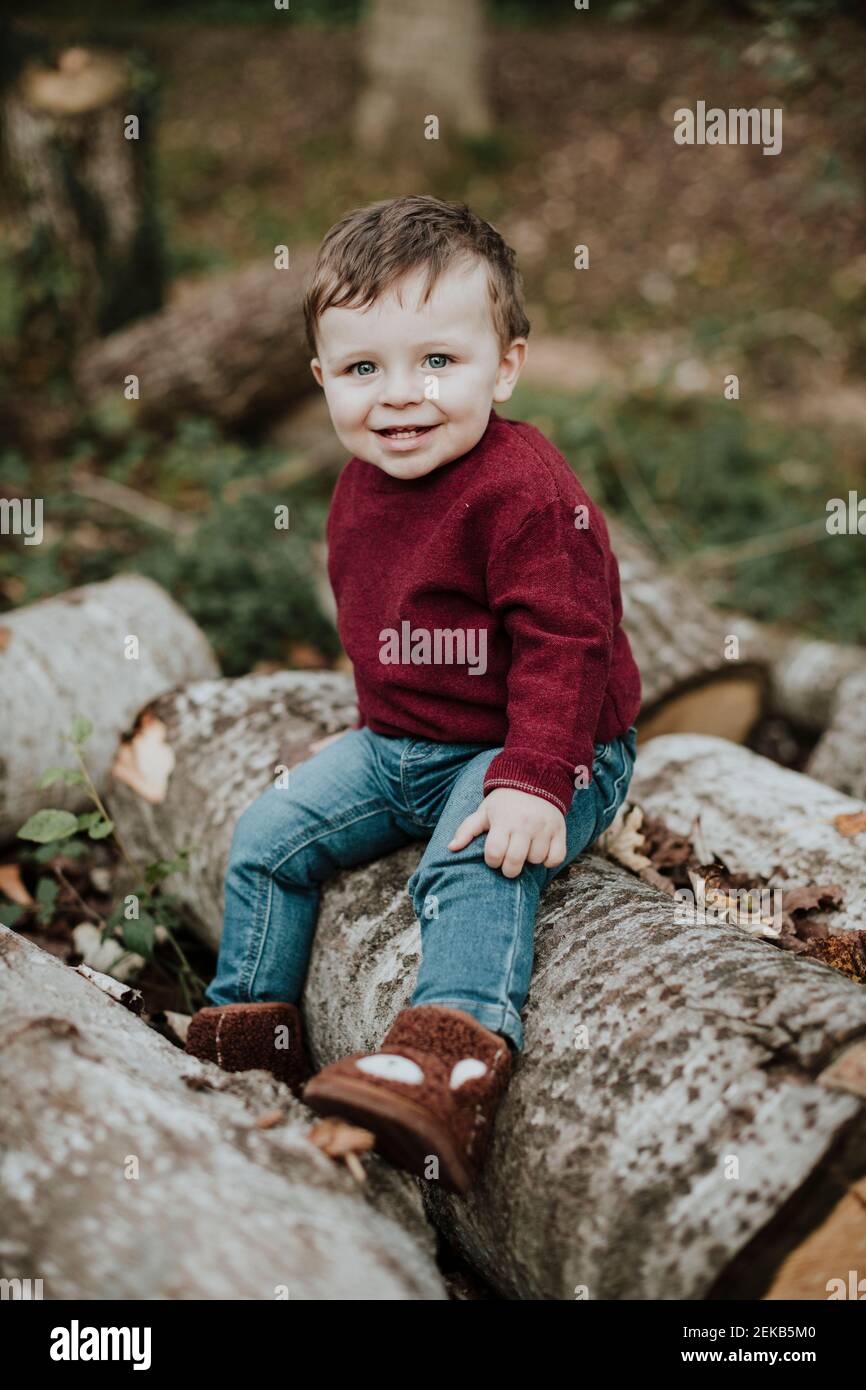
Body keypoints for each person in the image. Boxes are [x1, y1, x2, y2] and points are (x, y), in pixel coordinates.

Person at [186, 195, 641, 1194]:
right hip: (404, 742)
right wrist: (370, 752)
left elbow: (569, 643)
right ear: (321, 381)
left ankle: (444, 1065)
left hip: (550, 744)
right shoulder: (363, 481)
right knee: (268, 837)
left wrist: (530, 779)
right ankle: (244, 1040)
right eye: (362, 369)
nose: (399, 396)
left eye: (437, 360)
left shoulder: (524, 490)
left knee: (469, 860)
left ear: (506, 364)